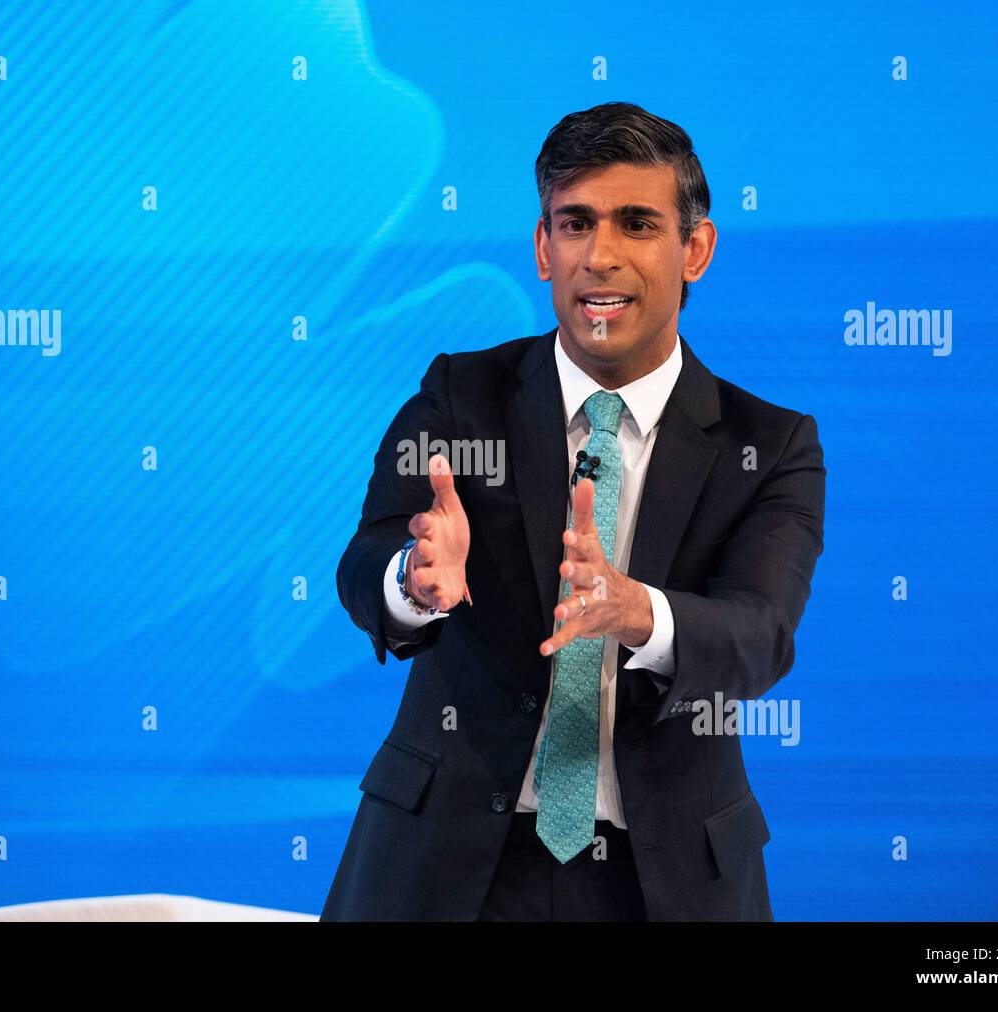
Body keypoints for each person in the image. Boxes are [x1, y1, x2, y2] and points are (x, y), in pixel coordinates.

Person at [320, 101, 825, 921]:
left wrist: (639, 614)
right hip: (444, 866)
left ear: (695, 249)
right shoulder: (462, 395)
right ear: (542, 249)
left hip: (664, 880)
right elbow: (364, 562)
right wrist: (413, 578)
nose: (602, 257)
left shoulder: (769, 445)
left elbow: (758, 638)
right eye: (575, 224)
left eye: (637, 224)